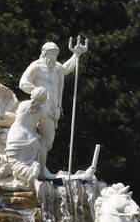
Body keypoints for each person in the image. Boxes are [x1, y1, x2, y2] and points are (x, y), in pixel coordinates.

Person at [17, 40, 87, 176]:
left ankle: (40, 167)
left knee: (47, 142)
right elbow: (23, 83)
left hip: (53, 110)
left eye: (55, 55)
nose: (53, 58)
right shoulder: (36, 66)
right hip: (40, 107)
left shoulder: (57, 68)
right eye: (51, 54)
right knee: (39, 138)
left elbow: (67, 67)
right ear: (44, 54)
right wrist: (38, 92)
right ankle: (38, 169)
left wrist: (76, 55)